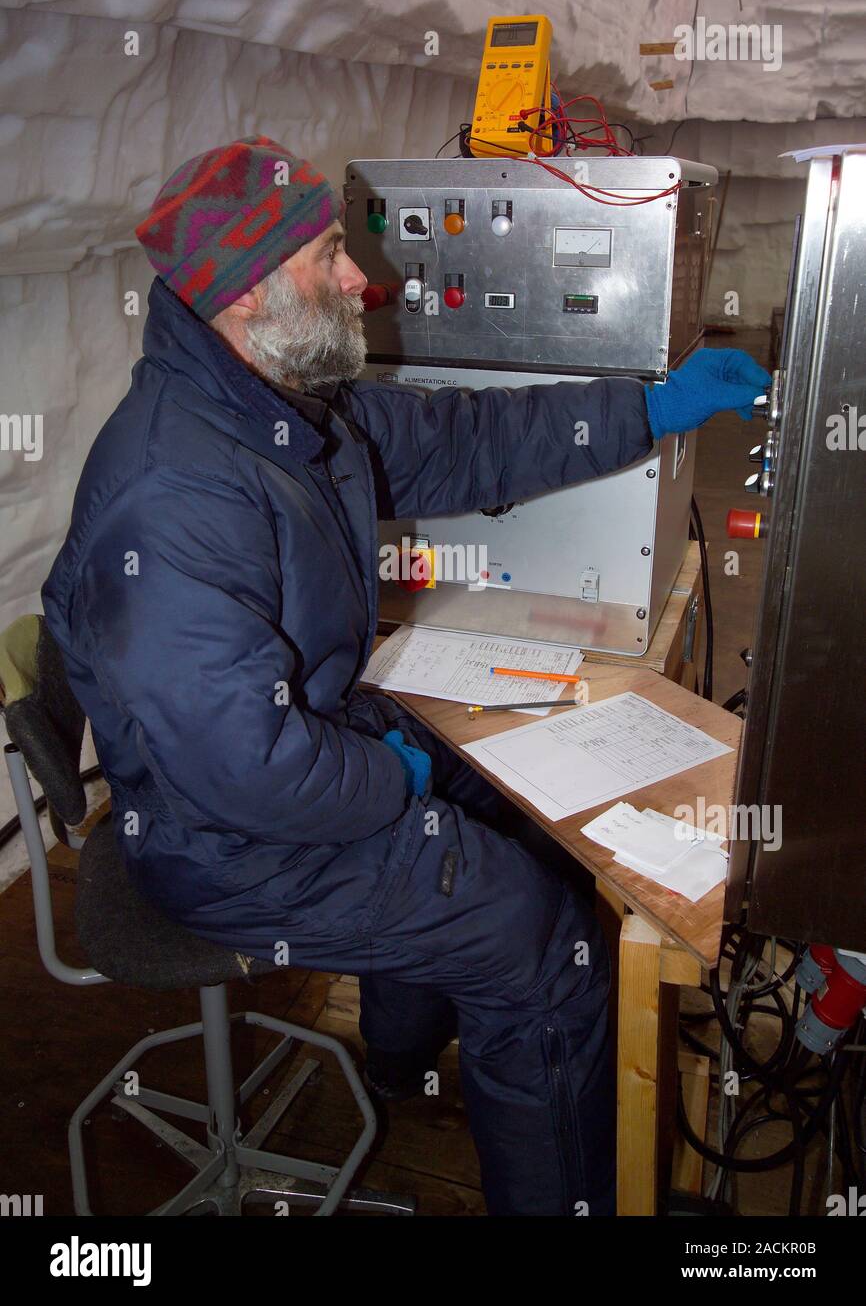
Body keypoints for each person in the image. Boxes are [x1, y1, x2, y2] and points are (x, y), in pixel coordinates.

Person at [42, 135, 769, 1216]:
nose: (359, 279)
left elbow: (463, 440)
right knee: (546, 947)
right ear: (249, 292)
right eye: (328, 253)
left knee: (510, 795)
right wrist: (391, 780)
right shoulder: (176, 499)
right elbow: (245, 770)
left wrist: (649, 405)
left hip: (300, 745)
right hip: (233, 843)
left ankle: (400, 1054)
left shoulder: (286, 403)